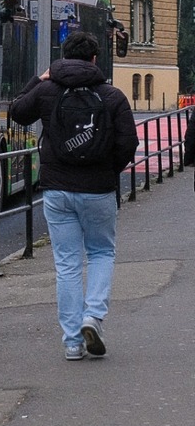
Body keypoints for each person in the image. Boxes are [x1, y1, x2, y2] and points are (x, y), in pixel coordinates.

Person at [9, 31, 138, 361]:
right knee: (101, 253)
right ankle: (92, 316)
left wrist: (40, 79)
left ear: (63, 56)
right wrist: (108, 172)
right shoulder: (113, 96)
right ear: (95, 59)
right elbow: (128, 143)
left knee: (66, 265)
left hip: (57, 190)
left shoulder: (48, 91)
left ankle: (71, 343)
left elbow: (18, 112)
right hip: (97, 190)